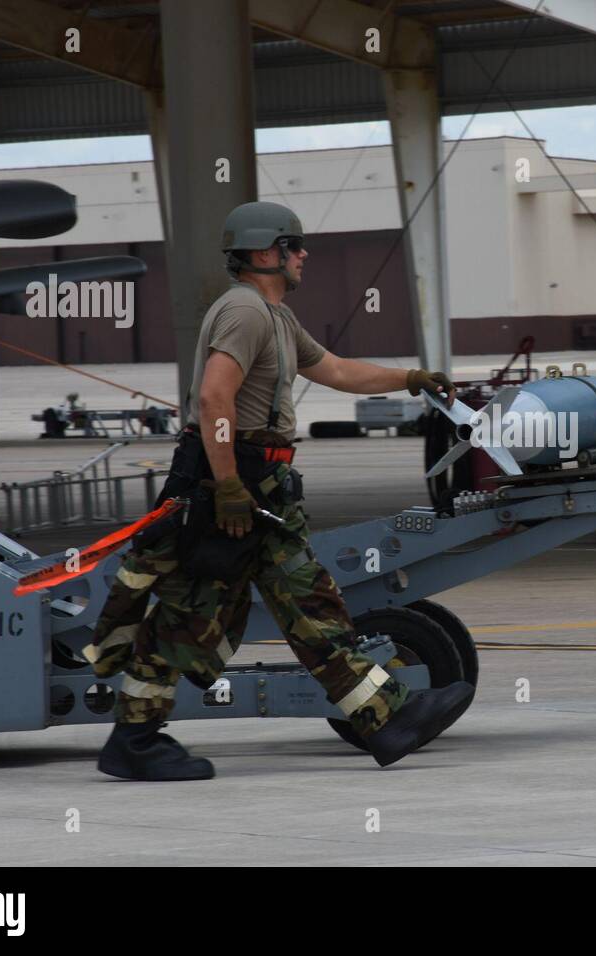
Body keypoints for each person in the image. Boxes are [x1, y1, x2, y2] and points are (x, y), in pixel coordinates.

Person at [85, 200, 472, 780]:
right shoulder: (242, 312)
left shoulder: (277, 318)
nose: (303, 255)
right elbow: (215, 399)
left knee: (309, 603)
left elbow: (336, 370)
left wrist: (410, 379)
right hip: (232, 487)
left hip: (258, 489)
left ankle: (384, 718)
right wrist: (229, 487)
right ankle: (134, 740)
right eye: (295, 246)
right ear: (267, 253)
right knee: (193, 611)